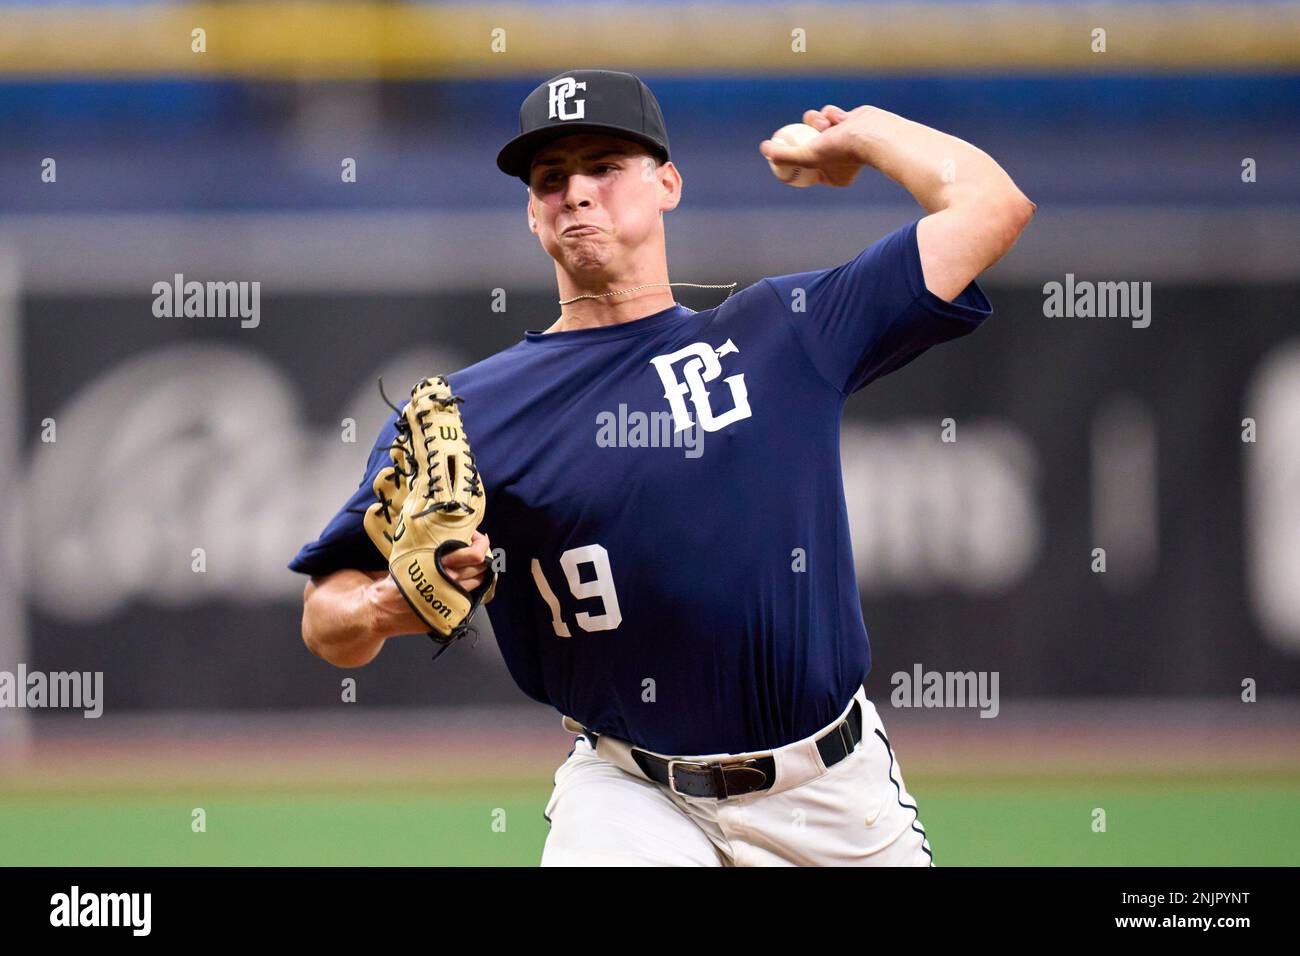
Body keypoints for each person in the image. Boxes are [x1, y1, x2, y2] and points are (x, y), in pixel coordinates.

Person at [290, 69, 1034, 866]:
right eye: (550, 178)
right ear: (533, 214)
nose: (577, 192)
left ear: (668, 184)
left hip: (831, 794)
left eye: (605, 166)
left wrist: (865, 134)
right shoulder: (469, 414)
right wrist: (381, 604)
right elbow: (324, 621)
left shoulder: (783, 333)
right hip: (630, 794)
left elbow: (992, 206)